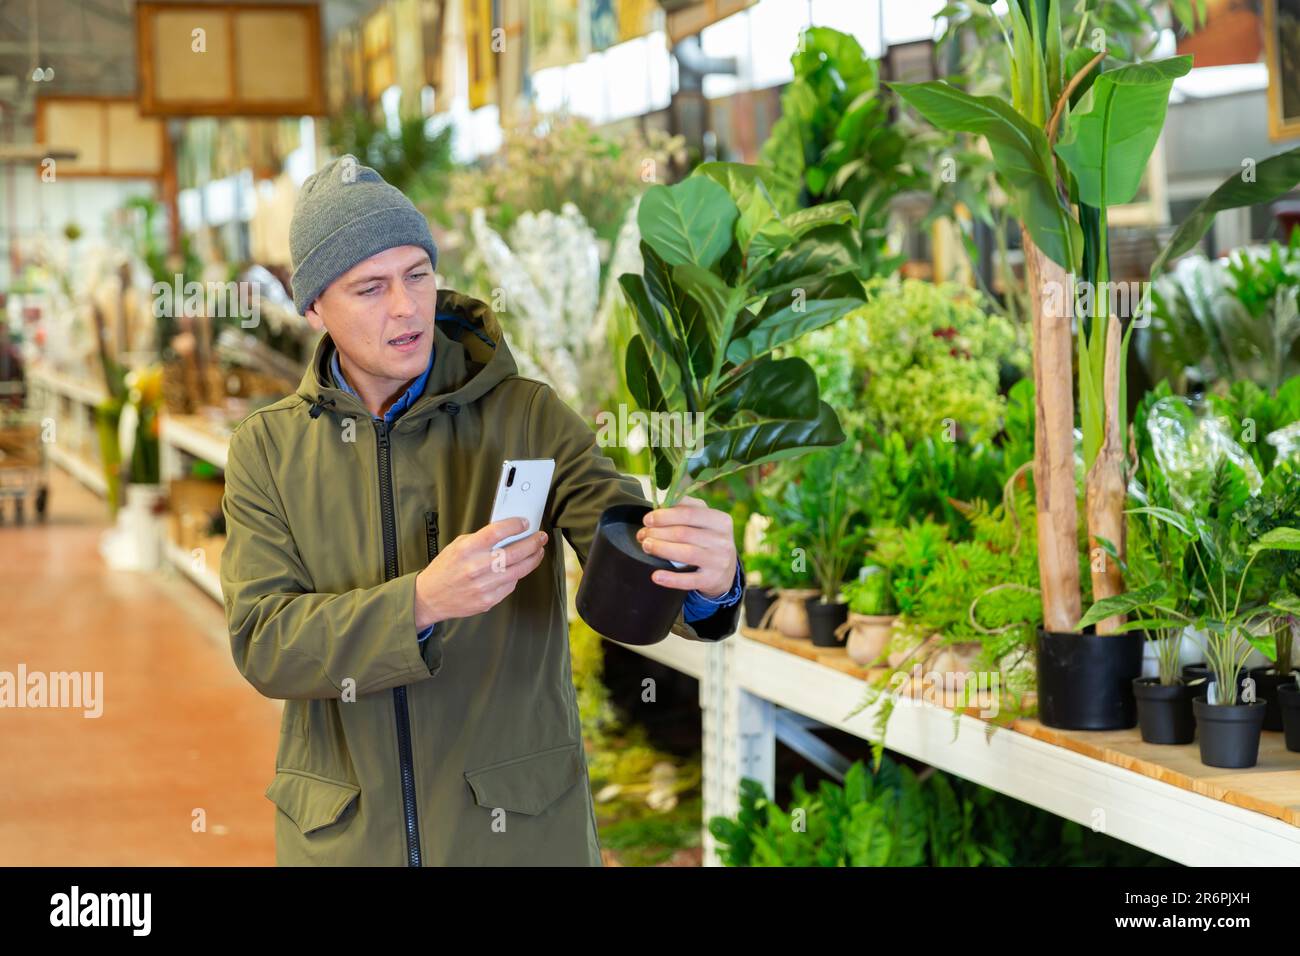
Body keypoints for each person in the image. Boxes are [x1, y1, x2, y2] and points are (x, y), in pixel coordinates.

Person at [219, 155, 744, 866]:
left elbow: (625, 554)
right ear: (313, 306)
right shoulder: (268, 450)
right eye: (369, 288)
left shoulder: (527, 417)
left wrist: (706, 581)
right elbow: (265, 642)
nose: (405, 307)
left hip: (514, 831)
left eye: (418, 274)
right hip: (345, 839)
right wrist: (422, 603)